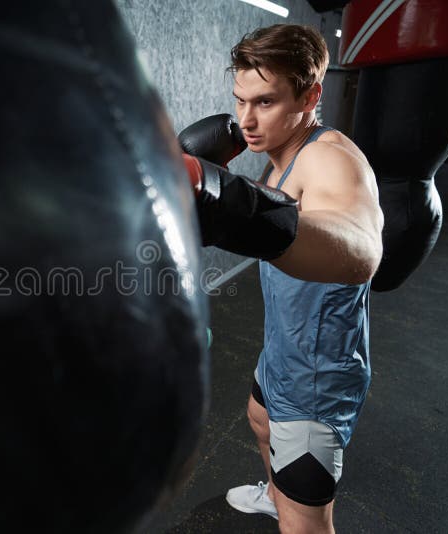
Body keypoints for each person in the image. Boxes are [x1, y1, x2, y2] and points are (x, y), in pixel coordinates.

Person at [180, 24, 384, 533]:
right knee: (258, 416)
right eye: (240, 100)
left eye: (266, 102)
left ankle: (292, 511)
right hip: (283, 351)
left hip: (316, 376)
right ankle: (275, 494)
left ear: (312, 95)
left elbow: (361, 246)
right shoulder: (280, 155)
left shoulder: (329, 160)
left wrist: (228, 208)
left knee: (306, 523)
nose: (246, 121)